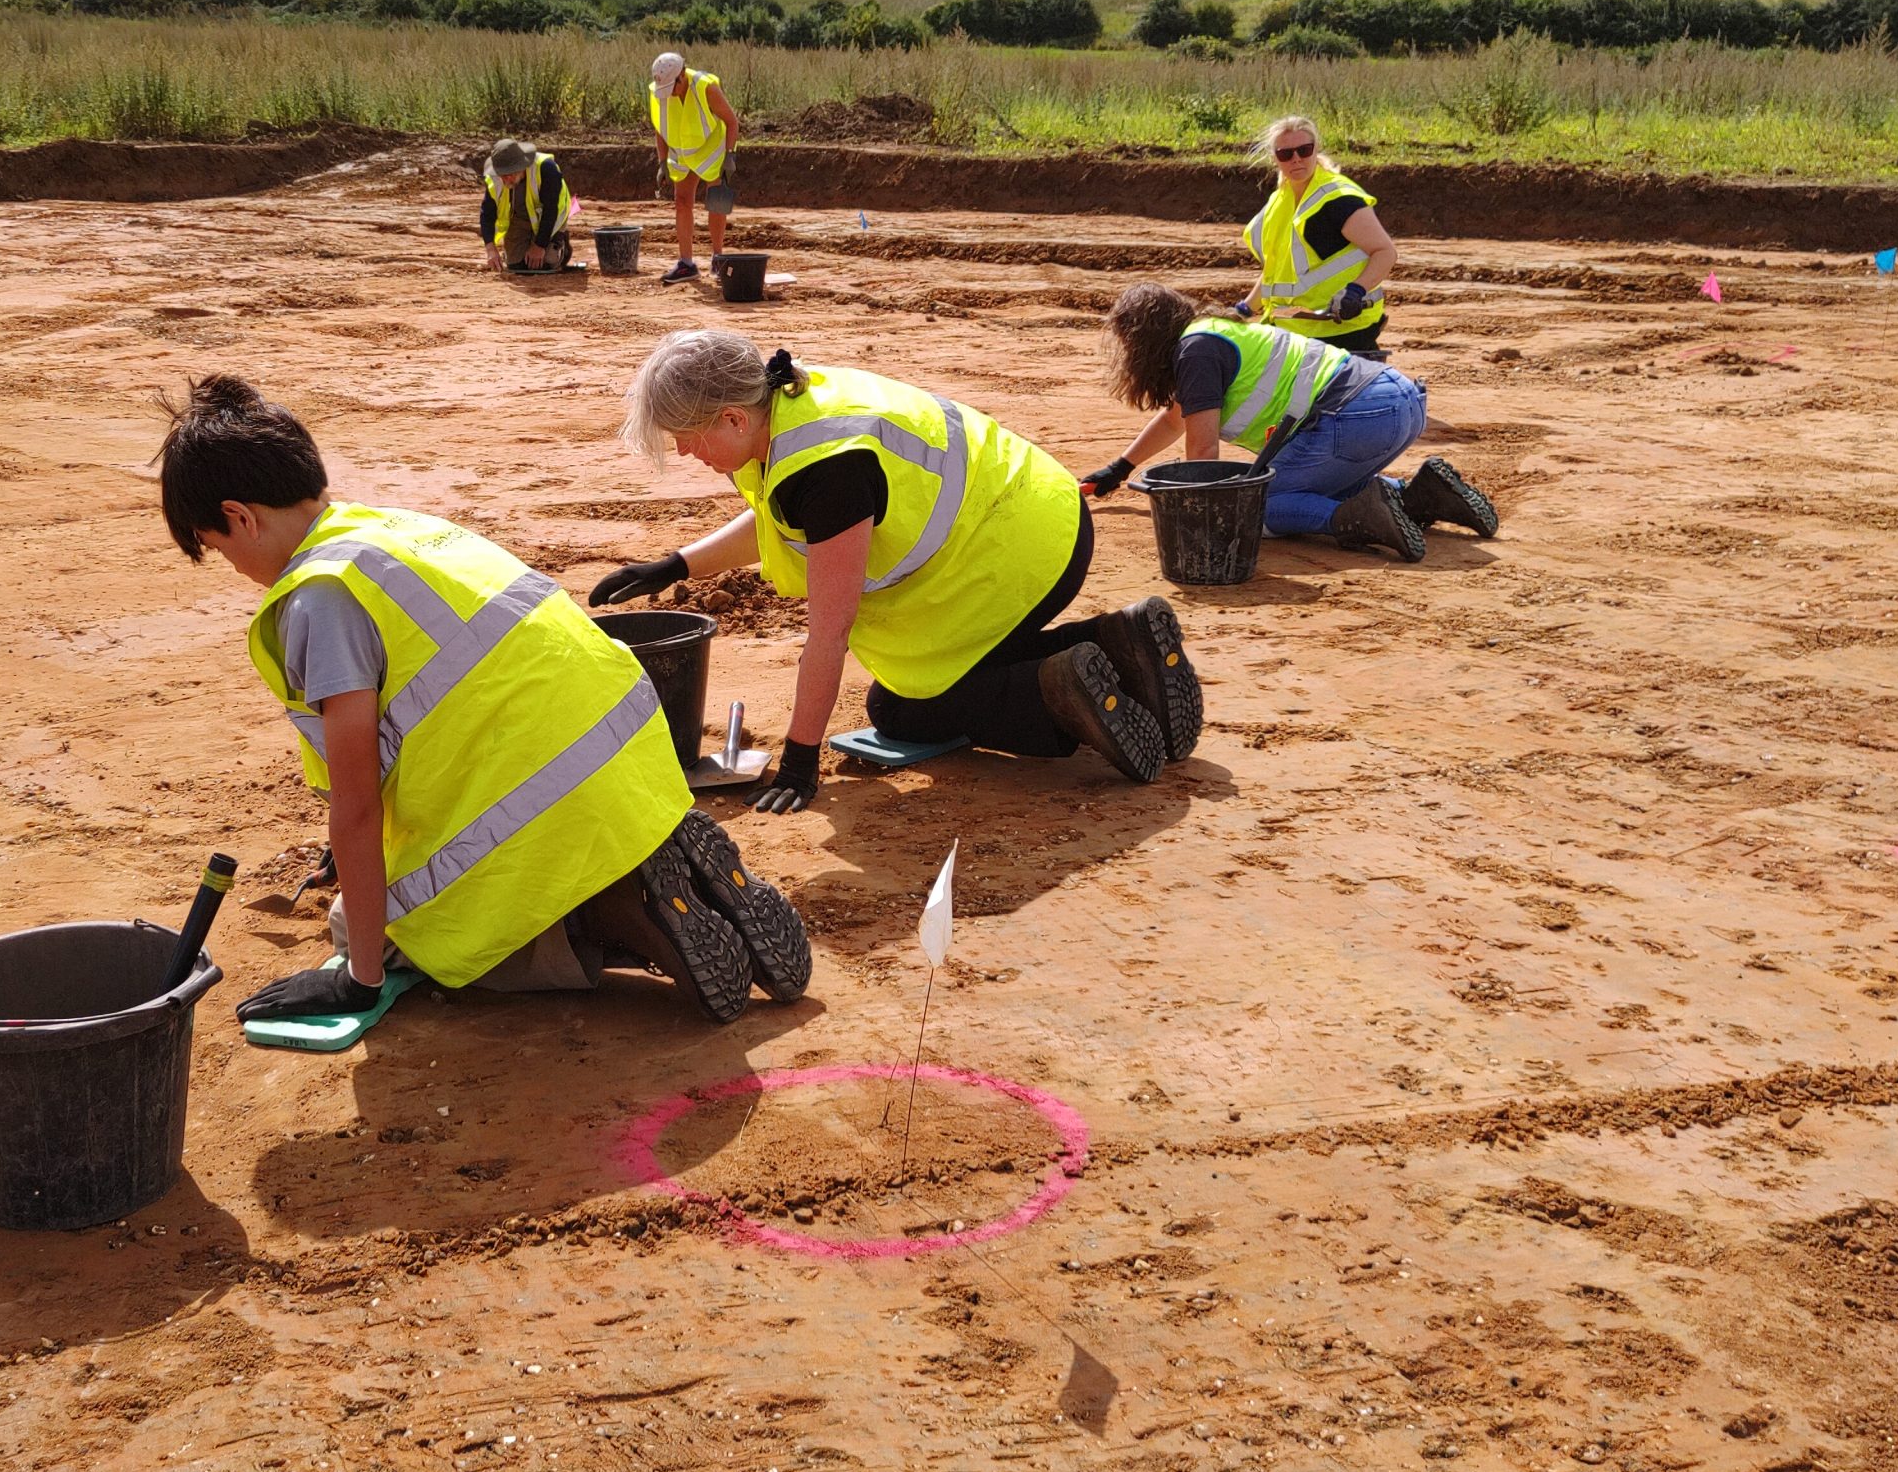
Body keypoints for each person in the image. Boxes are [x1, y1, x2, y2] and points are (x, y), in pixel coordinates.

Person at [158, 374, 811, 1026]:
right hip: (638, 762)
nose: (235, 566)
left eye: (219, 549)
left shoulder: (319, 596)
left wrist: (358, 980)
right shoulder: (392, 530)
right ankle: (649, 865)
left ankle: (618, 921)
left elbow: (356, 805)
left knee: (386, 932)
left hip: (551, 799)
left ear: (240, 518)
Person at [592, 331, 1201, 813]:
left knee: (908, 709)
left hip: (1026, 553)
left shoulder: (824, 465)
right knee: (921, 691)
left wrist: (801, 762)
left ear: (731, 417)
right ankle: (1114, 643)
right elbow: (789, 522)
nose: (685, 453)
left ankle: (1063, 687)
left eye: (687, 437)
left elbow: (830, 631)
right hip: (1028, 518)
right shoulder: (786, 402)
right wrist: (674, 566)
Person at [1081, 281, 1497, 564]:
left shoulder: (1196, 352)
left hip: (1356, 415)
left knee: (1258, 506)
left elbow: (1203, 455)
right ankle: (1423, 495)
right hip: (1395, 402)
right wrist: (1120, 469)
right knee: (1320, 485)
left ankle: (1357, 521)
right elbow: (1176, 421)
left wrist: (1208, 515)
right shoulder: (1208, 335)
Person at [1238, 116, 1397, 355]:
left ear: (1316, 150)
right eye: (1286, 154)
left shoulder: (1337, 198)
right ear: (1275, 158)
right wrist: (1244, 309)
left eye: (1304, 150)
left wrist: (1356, 291)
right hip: (1293, 333)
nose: (1296, 159)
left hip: (1343, 332)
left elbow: (1385, 252)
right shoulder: (1279, 203)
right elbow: (1276, 272)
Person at [647, 52, 741, 286]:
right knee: (682, 201)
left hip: (712, 148)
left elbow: (731, 122)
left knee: (717, 200)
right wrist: (662, 162)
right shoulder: (659, 92)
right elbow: (661, 128)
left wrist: (730, 156)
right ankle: (686, 263)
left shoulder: (705, 87)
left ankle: (718, 258)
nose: (670, 93)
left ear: (681, 77)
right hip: (682, 151)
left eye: (673, 87)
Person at [478, 138, 575, 274]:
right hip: (519, 220)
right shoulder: (495, 177)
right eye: (502, 176)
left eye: (509, 175)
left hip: (549, 220)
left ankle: (560, 244)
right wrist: (490, 248)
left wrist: (539, 245)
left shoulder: (546, 169)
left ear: (522, 166)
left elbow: (551, 210)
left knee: (544, 263)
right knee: (517, 266)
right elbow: (487, 213)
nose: (506, 180)